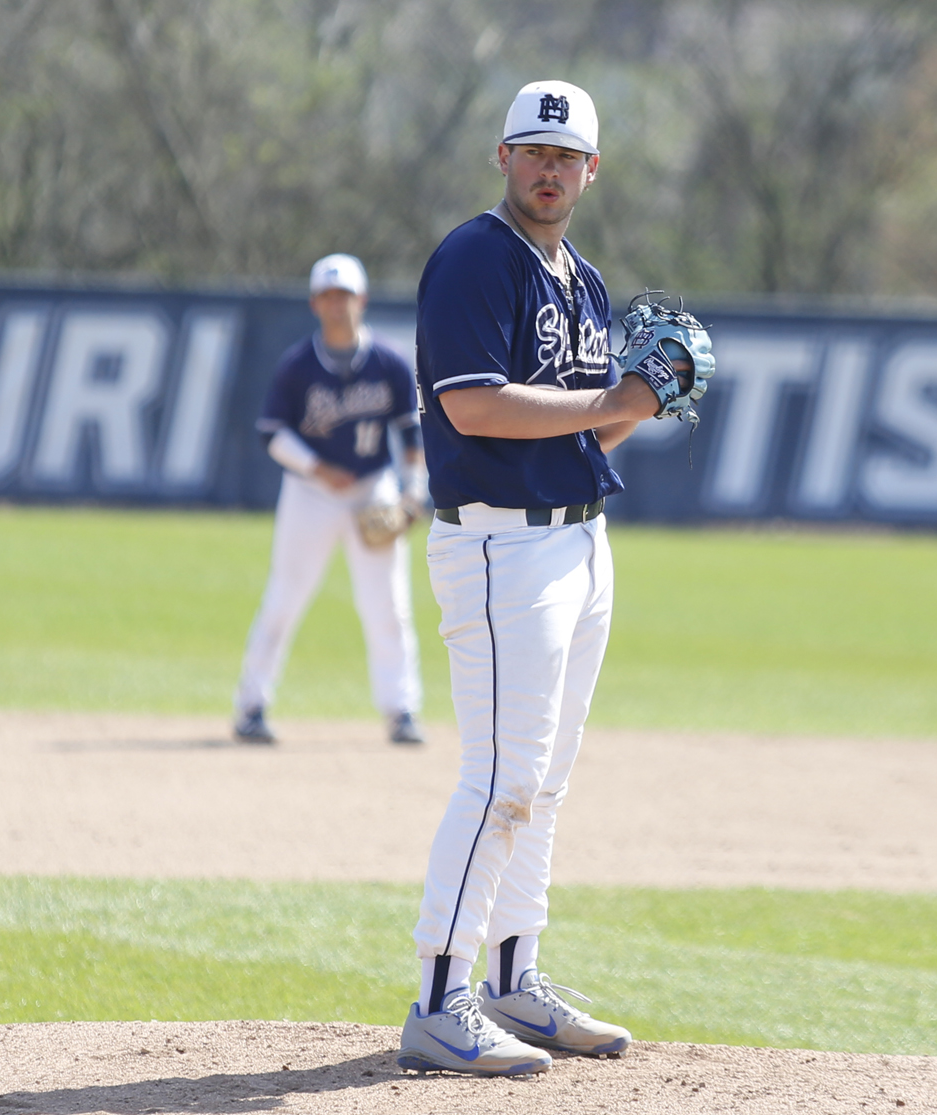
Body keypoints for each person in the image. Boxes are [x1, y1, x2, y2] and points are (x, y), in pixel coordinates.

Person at [395, 80, 671, 1077]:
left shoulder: (583, 282)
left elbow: (587, 419)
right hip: (500, 545)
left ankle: (516, 977)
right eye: (532, 151)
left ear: (591, 171)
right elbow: (473, 408)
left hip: (578, 540)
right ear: (501, 158)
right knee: (501, 778)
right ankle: (439, 995)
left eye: (566, 157)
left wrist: (640, 399)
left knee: (543, 782)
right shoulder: (475, 258)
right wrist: (610, 393)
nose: (548, 169)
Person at [232, 253, 428, 746]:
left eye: (345, 296)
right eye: (328, 296)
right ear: (315, 303)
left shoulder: (388, 362)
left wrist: (413, 492)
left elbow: (411, 435)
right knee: (285, 598)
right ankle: (251, 707)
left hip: (373, 490)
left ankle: (402, 710)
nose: (337, 306)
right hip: (311, 494)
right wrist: (318, 469)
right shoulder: (298, 365)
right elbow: (271, 434)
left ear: (361, 300)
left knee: (388, 605)